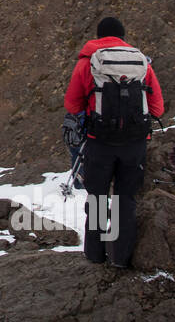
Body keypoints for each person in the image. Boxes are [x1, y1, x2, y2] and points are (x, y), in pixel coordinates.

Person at [63, 16, 165, 267]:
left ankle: (95, 255)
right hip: (135, 143)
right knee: (125, 199)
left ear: (98, 36)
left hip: (100, 142)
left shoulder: (87, 63)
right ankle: (120, 256)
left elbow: (72, 104)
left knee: (97, 198)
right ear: (123, 36)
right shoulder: (141, 63)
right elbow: (157, 108)